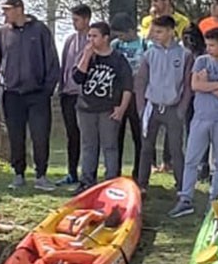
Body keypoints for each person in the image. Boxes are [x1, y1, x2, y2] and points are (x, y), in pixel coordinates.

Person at [168, 28, 218, 219]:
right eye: (207, 45)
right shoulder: (201, 62)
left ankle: (214, 199)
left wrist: (208, 86)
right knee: (191, 159)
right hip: (200, 118)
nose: (208, 49)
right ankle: (185, 199)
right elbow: (195, 85)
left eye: (212, 45)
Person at [0, 0, 60, 192]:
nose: (5, 14)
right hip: (12, 93)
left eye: (8, 9)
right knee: (16, 135)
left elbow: (52, 62)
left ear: (19, 9)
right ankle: (18, 174)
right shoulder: (1, 33)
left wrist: (47, 89)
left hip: (37, 93)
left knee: (40, 135)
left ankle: (41, 175)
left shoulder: (40, 30)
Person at [72, 21, 133, 192]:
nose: (90, 39)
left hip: (108, 109)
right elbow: (77, 78)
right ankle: (86, 181)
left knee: (110, 146)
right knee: (88, 146)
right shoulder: (87, 56)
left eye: (94, 36)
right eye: (89, 36)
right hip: (86, 108)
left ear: (105, 38)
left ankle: (111, 182)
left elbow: (128, 86)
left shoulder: (118, 59)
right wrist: (86, 57)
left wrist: (122, 108)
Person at [135, 15, 192, 192]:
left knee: (176, 149)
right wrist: (141, 107)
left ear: (170, 31)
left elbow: (188, 85)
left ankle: (182, 186)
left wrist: (182, 108)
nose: (155, 35)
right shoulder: (149, 54)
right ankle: (142, 185)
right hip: (152, 107)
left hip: (173, 108)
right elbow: (140, 82)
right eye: (154, 31)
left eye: (159, 31)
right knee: (146, 148)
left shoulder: (185, 54)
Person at [58, 4, 92, 186]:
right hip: (68, 94)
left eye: (76, 20)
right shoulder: (70, 40)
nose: (74, 23)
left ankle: (88, 174)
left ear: (86, 20)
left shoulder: (93, 41)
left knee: (87, 136)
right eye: (72, 20)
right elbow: (64, 64)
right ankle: (71, 172)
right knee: (72, 134)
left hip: (84, 95)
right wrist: (61, 88)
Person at [110, 12, 147, 178]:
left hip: (137, 95)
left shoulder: (144, 44)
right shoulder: (115, 45)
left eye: (123, 34)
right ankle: (114, 171)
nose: (121, 38)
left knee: (138, 135)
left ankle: (138, 173)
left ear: (131, 30)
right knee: (115, 135)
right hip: (118, 95)